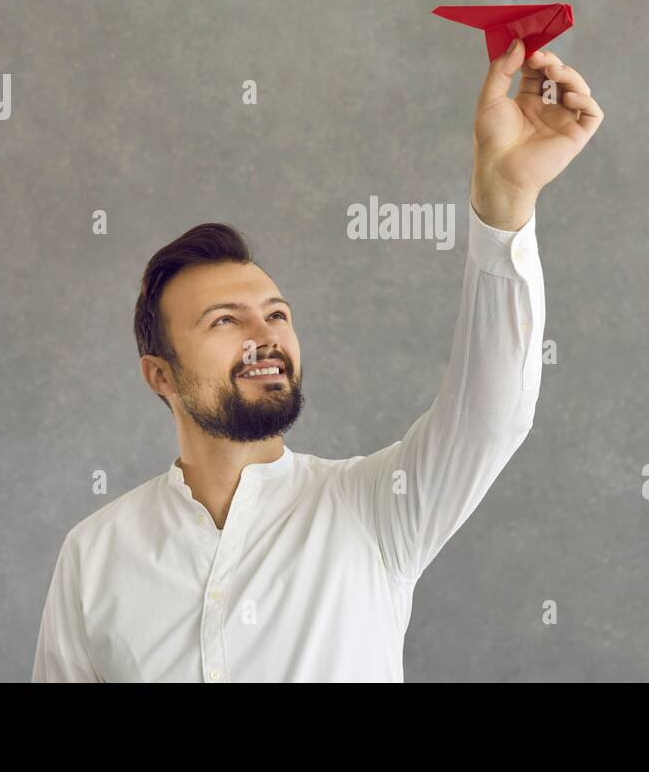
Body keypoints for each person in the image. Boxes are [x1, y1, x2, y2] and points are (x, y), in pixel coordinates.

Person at [31, 41, 604, 681]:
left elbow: (491, 415)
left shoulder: (374, 510)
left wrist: (505, 199)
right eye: (224, 320)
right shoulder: (95, 554)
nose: (264, 335)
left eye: (276, 314)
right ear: (159, 375)